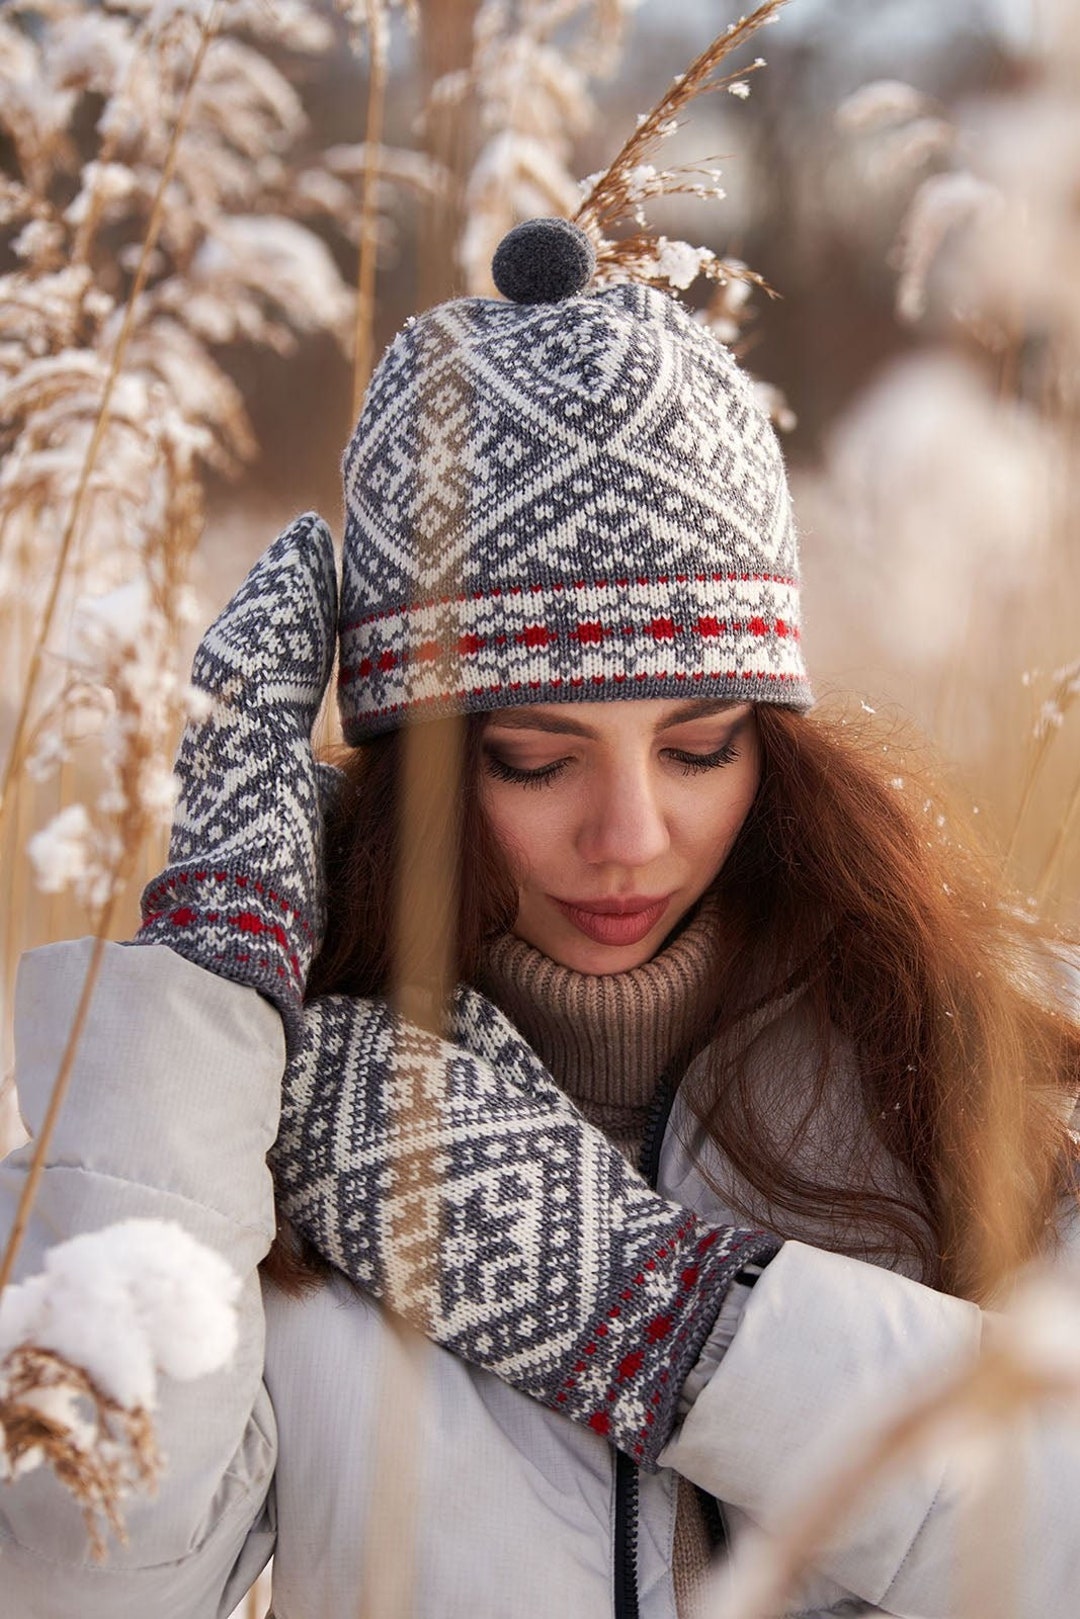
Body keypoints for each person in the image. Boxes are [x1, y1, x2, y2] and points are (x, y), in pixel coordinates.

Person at [1, 216, 1079, 1619]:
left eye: (700, 747)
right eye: (533, 758)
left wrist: (640, 1308)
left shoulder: (1001, 1054)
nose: (631, 835)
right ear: (424, 774)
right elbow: (81, 1583)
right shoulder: (254, 1137)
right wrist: (213, 990)